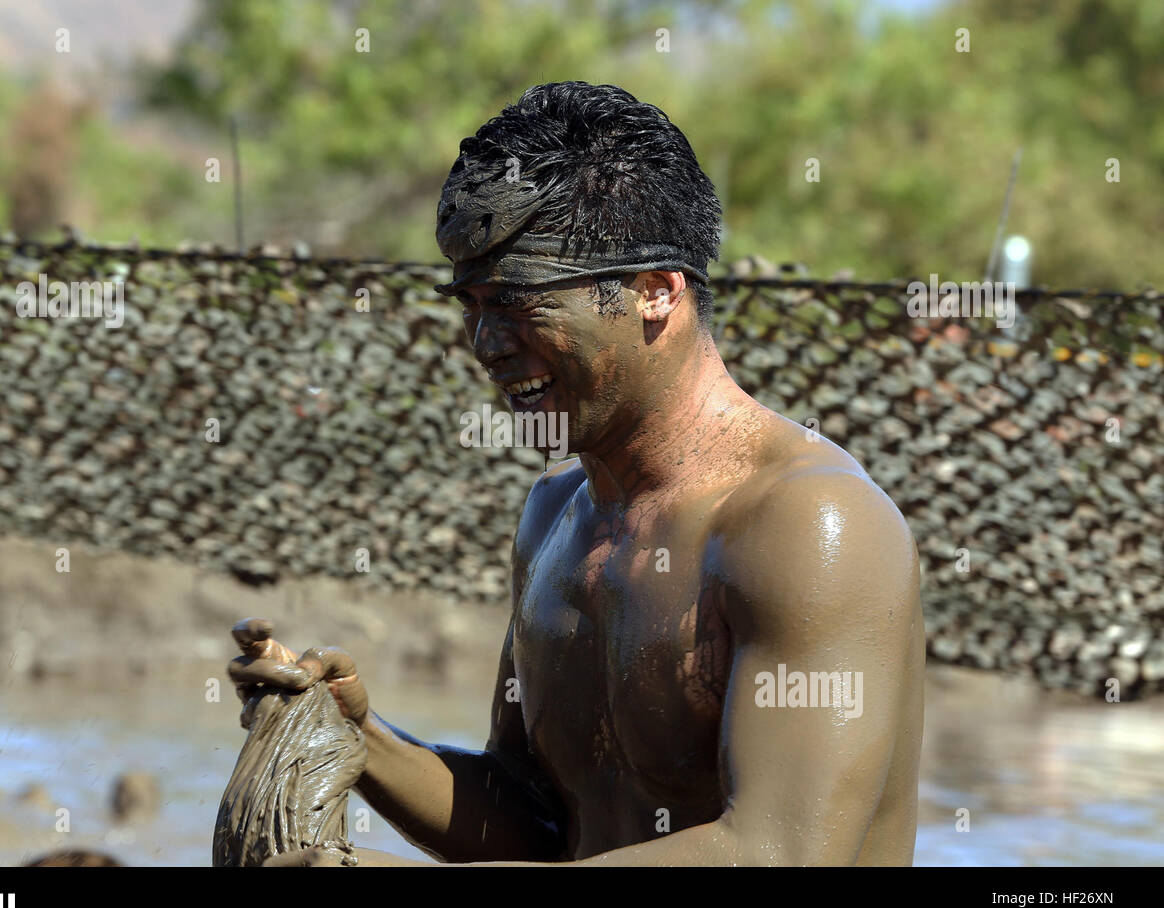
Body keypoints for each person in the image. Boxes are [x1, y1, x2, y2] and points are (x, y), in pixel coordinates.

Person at [230, 81, 925, 866]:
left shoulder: (811, 526)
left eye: (519, 302)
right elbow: (532, 827)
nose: (486, 343)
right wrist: (358, 739)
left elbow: (780, 852)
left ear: (656, 292)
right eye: (471, 304)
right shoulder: (555, 513)